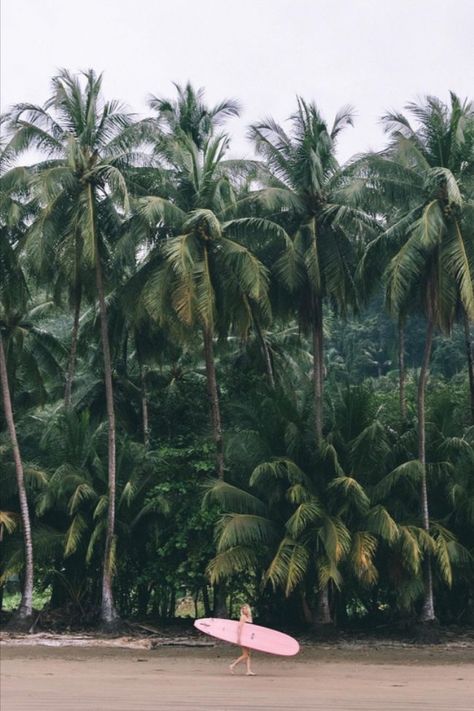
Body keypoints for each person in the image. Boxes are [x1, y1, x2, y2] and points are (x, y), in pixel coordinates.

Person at [229, 603, 255, 675]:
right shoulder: (243, 617)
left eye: (245, 608)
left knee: (248, 654)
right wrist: (239, 638)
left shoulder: (249, 617)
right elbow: (239, 628)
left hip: (248, 637)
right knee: (245, 655)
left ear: (248, 609)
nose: (244, 610)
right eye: (243, 609)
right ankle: (232, 665)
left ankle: (248, 671)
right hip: (243, 637)